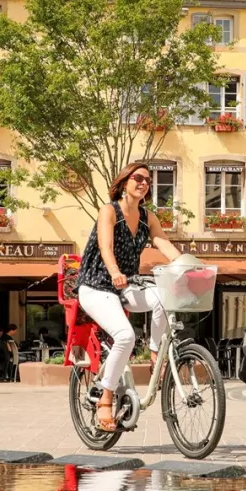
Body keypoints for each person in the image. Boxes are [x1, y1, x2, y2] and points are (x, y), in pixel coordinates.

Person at [76, 162, 183, 432]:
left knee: (163, 296)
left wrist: (189, 265)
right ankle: (105, 400)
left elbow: (164, 243)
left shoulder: (148, 217)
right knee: (125, 336)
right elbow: (105, 246)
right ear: (124, 182)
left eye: (148, 179)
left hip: (124, 287)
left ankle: (156, 354)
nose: (144, 182)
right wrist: (114, 271)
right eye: (138, 177)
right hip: (96, 286)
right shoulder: (109, 211)